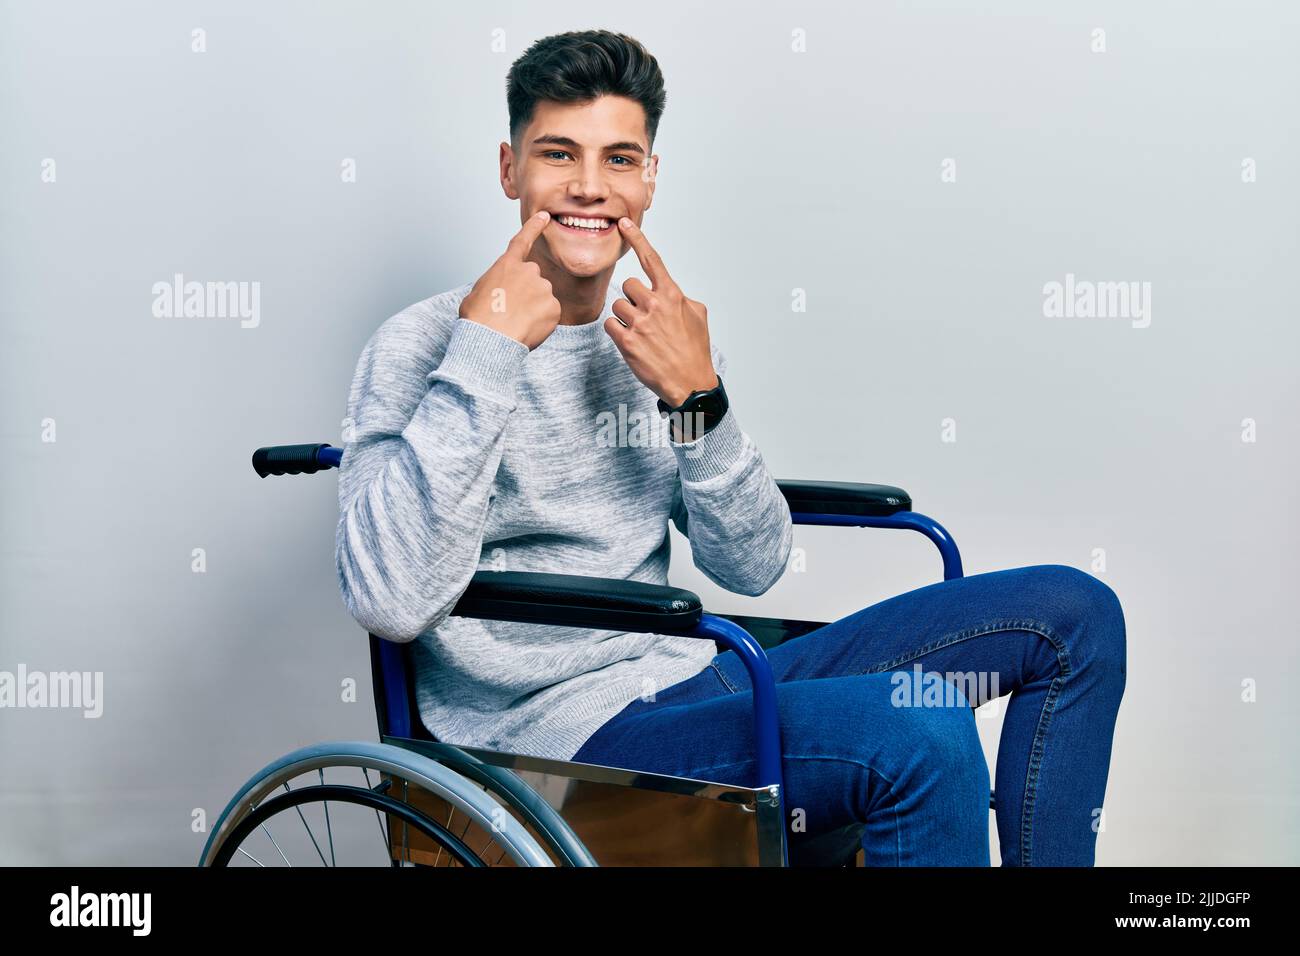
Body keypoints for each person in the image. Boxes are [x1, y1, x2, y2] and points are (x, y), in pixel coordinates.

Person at [334, 29, 1126, 866]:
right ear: (509, 169)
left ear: (651, 177)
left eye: (621, 160)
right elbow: (389, 599)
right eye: (558, 155)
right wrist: (487, 352)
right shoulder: (426, 342)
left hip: (691, 678)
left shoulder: (655, 334)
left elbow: (752, 567)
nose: (590, 188)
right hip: (555, 738)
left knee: (1074, 617)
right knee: (920, 725)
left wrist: (697, 398)